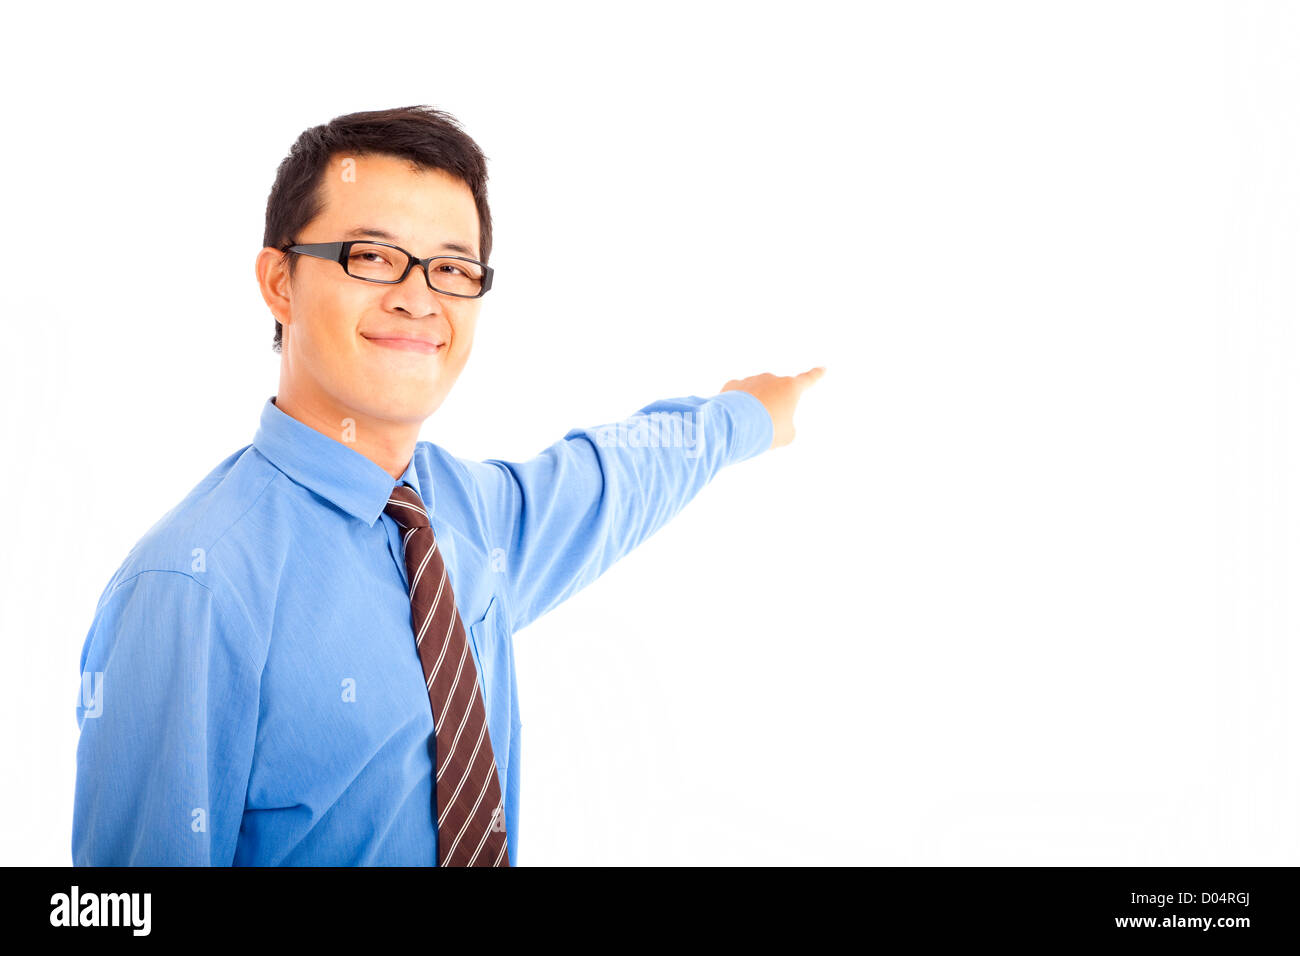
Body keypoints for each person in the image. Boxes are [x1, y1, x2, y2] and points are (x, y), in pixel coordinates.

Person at [72, 105, 825, 866]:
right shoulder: (190, 585)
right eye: (372, 256)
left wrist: (747, 415)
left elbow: (616, 476)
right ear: (280, 282)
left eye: (454, 268)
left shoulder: (467, 521)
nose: (418, 297)